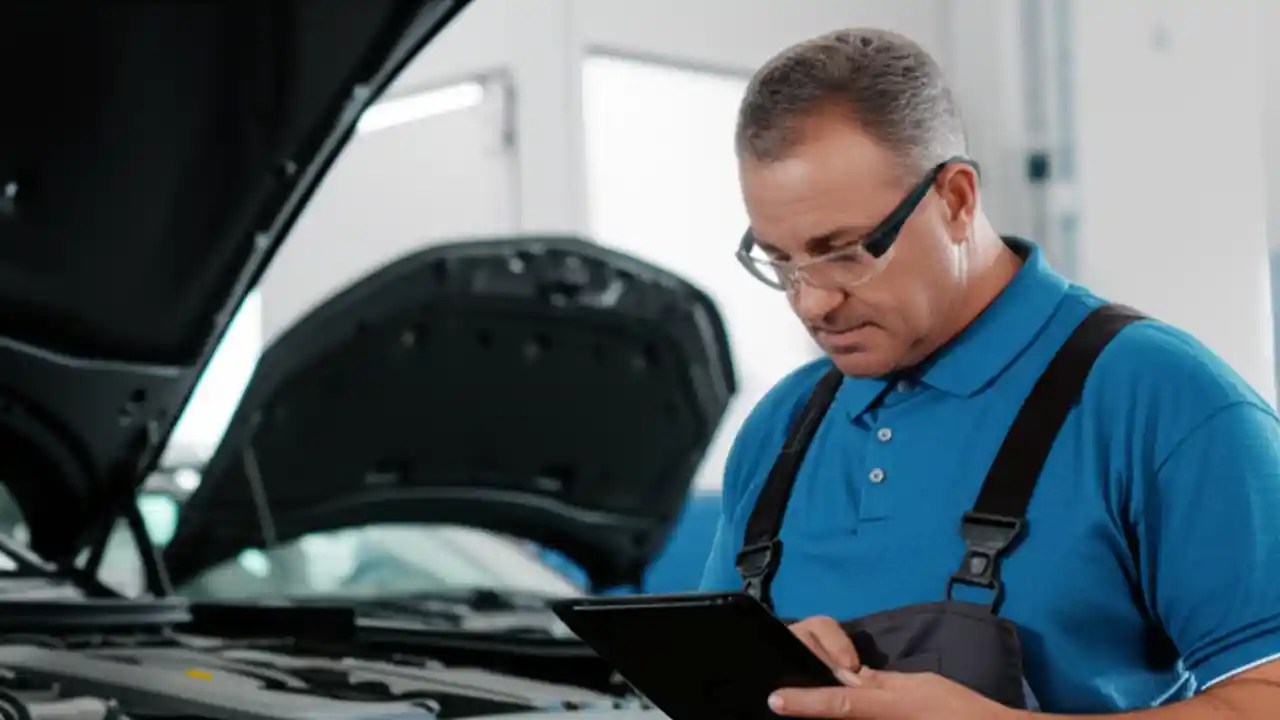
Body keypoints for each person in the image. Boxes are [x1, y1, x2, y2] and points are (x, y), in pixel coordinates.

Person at [699, 27, 1280, 719]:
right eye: (781, 261)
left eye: (846, 252)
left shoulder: (1160, 400)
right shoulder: (782, 427)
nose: (812, 300)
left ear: (956, 199)